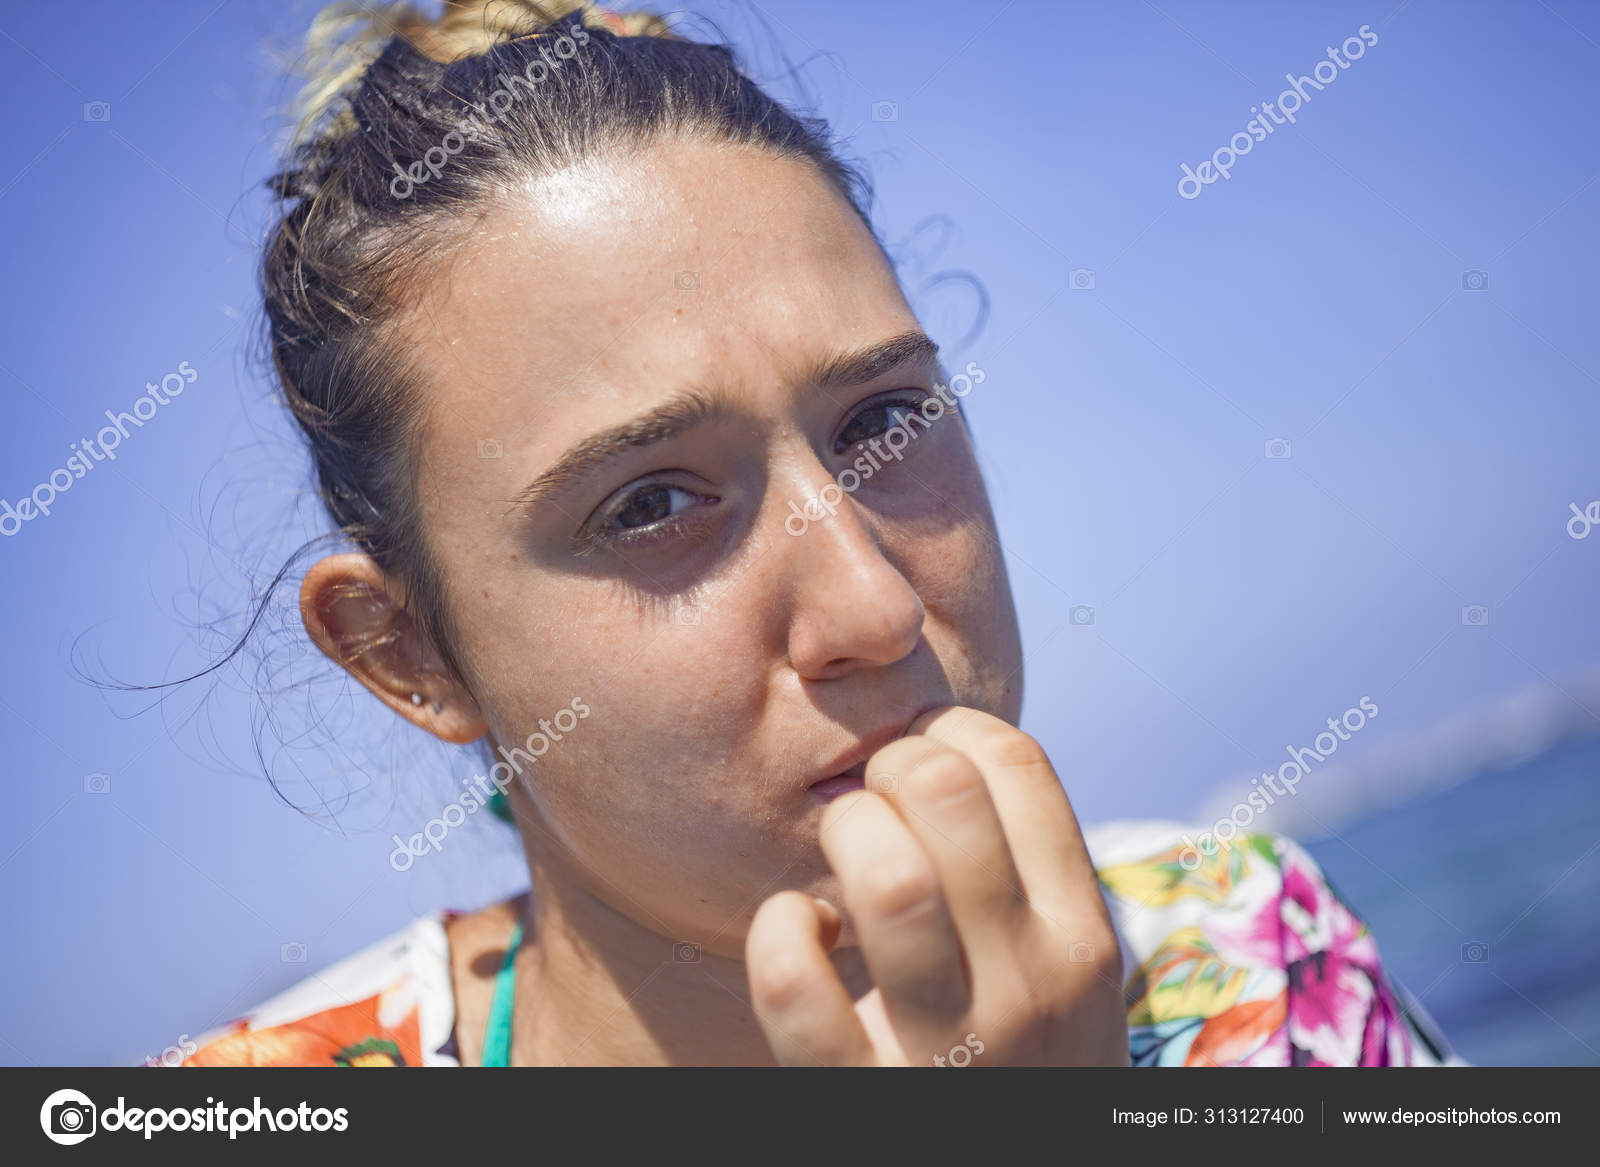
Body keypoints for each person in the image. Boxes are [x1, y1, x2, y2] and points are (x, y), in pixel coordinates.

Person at [183, 0, 1456, 1067]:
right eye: (648, 504)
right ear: (408, 653)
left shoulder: (1250, 956)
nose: (876, 611)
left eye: (884, 421)